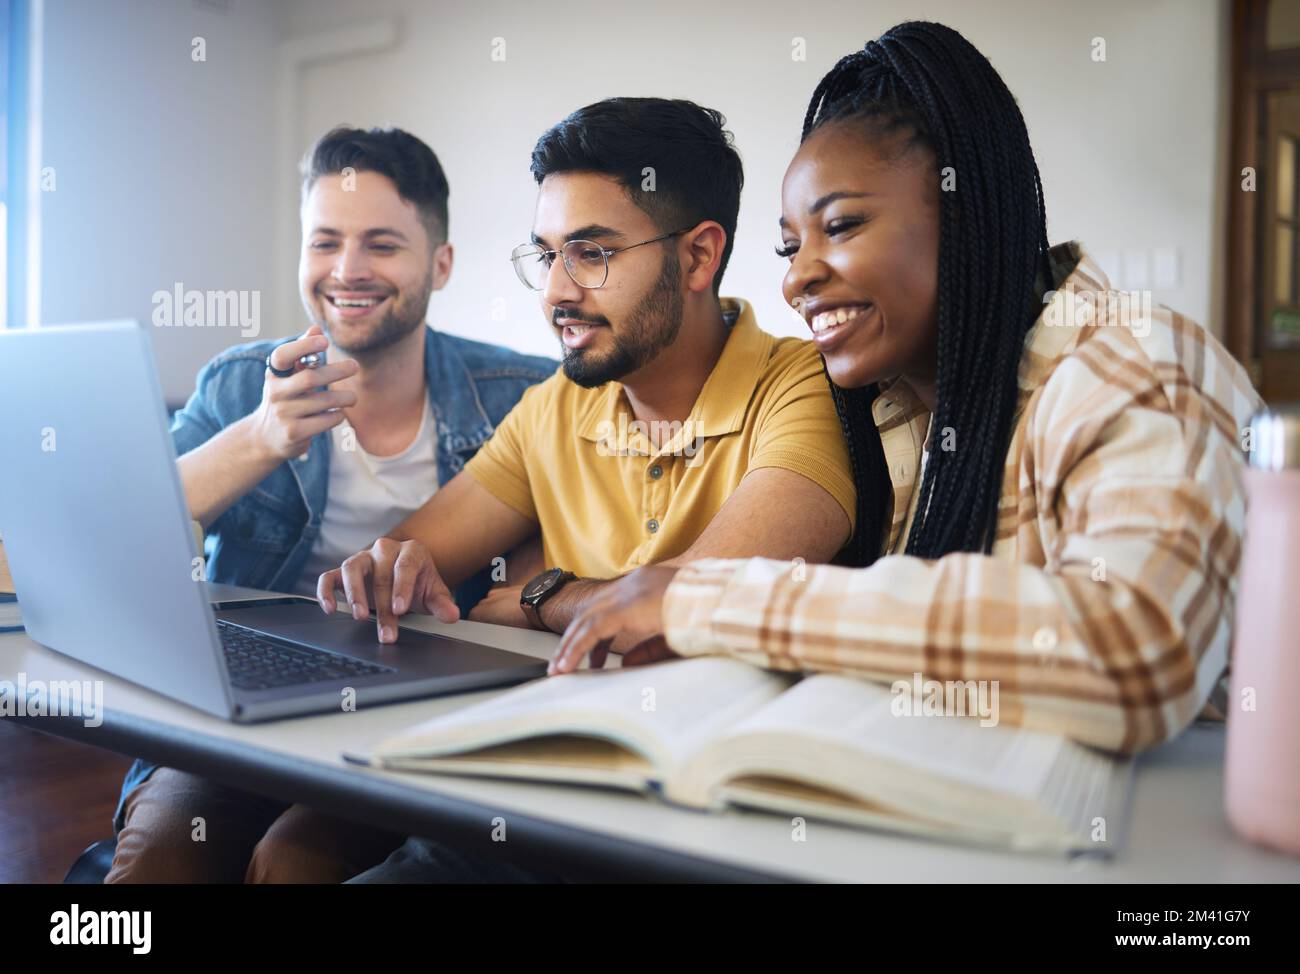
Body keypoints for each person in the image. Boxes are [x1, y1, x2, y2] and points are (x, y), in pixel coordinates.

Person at [552, 21, 1262, 760]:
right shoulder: (893, 412)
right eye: (791, 246)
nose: (797, 277)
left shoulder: (1137, 363)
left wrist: (712, 601)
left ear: (964, 211)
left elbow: (1131, 654)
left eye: (842, 225)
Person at [332, 96, 859, 882]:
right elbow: (412, 554)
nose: (555, 293)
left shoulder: (798, 387)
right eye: (547, 255)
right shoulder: (556, 404)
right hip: (532, 788)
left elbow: (688, 604)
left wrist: (543, 597)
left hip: (700, 824)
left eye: (593, 253)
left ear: (696, 258)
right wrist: (386, 569)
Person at [107, 126, 556, 883]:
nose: (348, 270)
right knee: (159, 860)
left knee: (292, 866)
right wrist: (260, 436)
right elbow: (126, 543)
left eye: (382, 244)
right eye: (325, 242)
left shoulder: (525, 396)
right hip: (244, 710)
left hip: (419, 717)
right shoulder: (238, 383)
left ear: (440, 265)